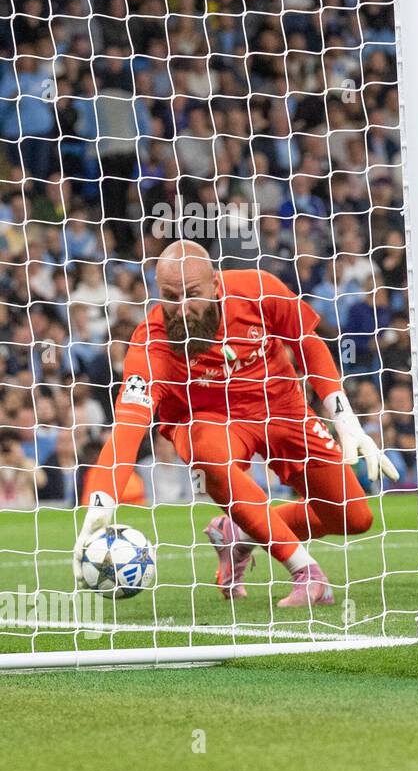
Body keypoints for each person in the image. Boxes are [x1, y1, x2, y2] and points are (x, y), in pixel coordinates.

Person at [75, 240, 397, 608]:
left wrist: (345, 419)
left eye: (192, 294)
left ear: (215, 283)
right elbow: (127, 431)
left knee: (354, 517)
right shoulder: (152, 346)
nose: (182, 308)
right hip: (210, 421)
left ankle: (240, 531)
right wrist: (98, 505)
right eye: (170, 296)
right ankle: (307, 572)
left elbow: (308, 344)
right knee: (210, 453)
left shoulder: (257, 288)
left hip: (283, 407)